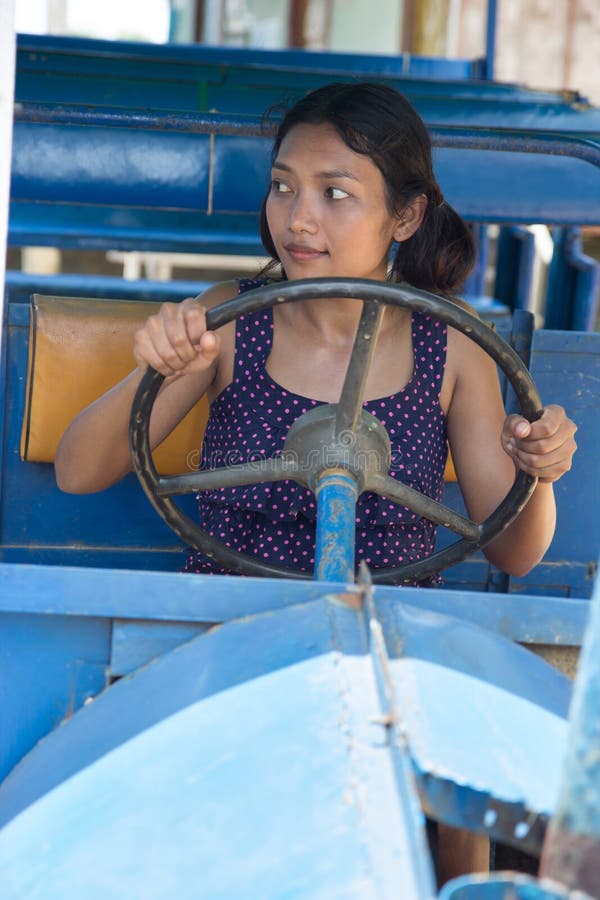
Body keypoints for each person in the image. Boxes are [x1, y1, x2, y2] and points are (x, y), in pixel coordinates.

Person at [55, 81, 577, 882]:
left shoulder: (455, 350)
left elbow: (515, 552)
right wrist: (153, 369)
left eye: (336, 194)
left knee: (432, 785)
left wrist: (538, 473)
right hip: (226, 638)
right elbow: (78, 470)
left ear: (404, 217)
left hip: (392, 649)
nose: (298, 219)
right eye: (283, 187)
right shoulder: (228, 319)